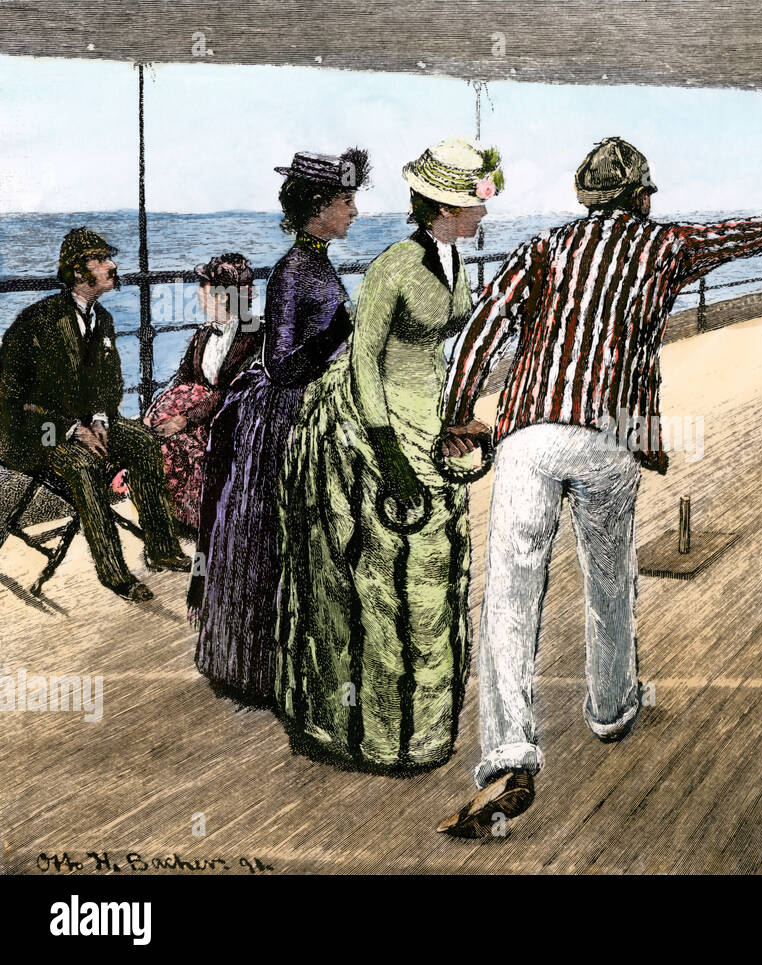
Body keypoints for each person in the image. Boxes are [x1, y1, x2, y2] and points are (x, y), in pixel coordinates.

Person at [434, 136, 762, 837]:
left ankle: (510, 752)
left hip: (528, 430)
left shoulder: (543, 248)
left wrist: (457, 412)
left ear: (584, 196)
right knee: (609, 578)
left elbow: (483, 326)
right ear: (641, 197)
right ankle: (610, 707)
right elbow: (728, 239)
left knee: (510, 593)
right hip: (610, 433)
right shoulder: (663, 246)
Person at [275, 138, 500, 769]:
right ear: (442, 209)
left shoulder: (453, 262)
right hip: (372, 430)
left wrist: (455, 418)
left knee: (434, 581)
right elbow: (365, 364)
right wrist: (390, 456)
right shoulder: (394, 266)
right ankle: (364, 735)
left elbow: (439, 351)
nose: (482, 213)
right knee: (377, 585)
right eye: (472, 203)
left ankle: (422, 733)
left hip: (429, 417)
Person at [190, 149, 368, 706]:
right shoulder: (295, 269)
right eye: (346, 200)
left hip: (306, 409)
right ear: (317, 208)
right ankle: (260, 671)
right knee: (274, 543)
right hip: (284, 419)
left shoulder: (314, 261)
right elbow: (285, 364)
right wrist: (342, 328)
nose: (355, 211)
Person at [0, 228, 190, 601]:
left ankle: (163, 548)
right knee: (83, 465)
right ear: (77, 271)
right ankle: (115, 574)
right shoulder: (39, 322)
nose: (112, 265)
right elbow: (11, 401)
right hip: (36, 430)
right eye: (101, 259)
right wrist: (73, 430)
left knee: (142, 440)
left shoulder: (101, 318)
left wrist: (101, 418)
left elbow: (110, 383)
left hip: (86, 424)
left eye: (108, 258)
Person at [112, 254, 261, 530]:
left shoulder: (252, 335)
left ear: (223, 297)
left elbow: (232, 393)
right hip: (198, 414)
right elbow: (183, 380)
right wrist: (168, 411)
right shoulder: (203, 335)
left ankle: (190, 519)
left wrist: (184, 419)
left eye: (204, 295)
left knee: (179, 444)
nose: (200, 300)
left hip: (228, 418)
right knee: (152, 435)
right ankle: (161, 511)